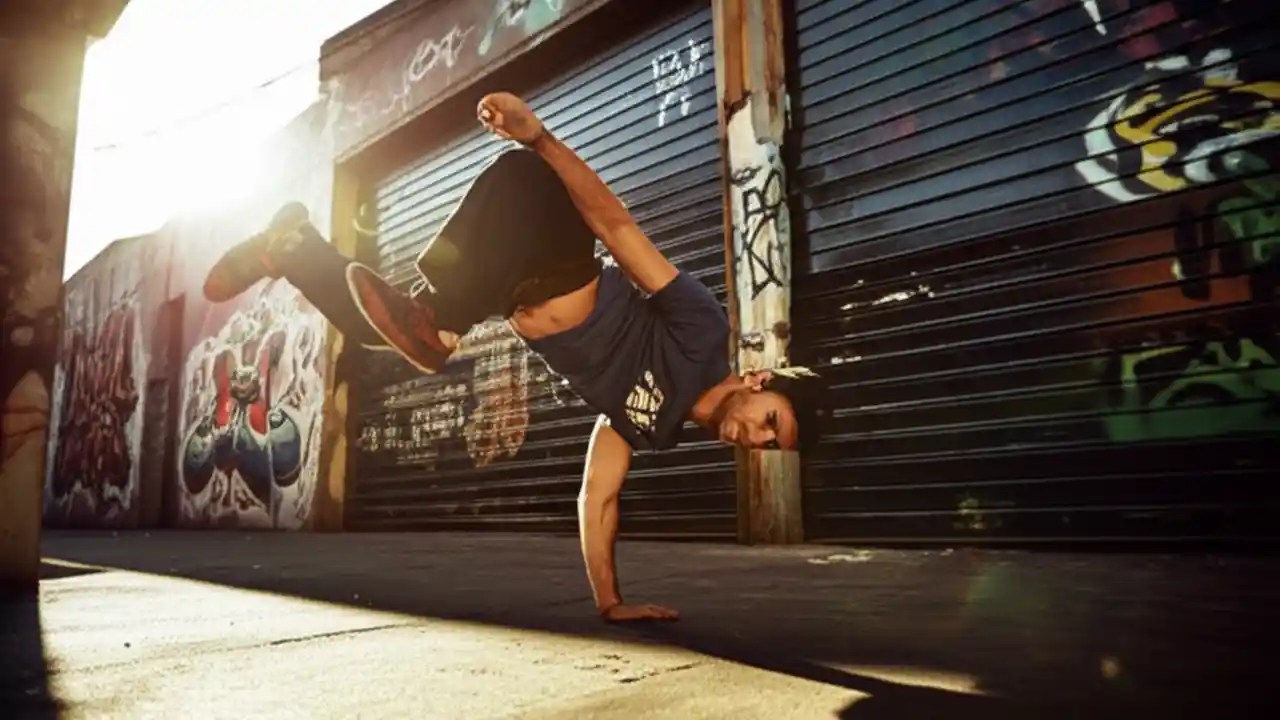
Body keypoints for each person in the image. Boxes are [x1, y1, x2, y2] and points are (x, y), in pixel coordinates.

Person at [203, 92, 829, 622]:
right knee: (525, 176)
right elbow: (617, 229)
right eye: (770, 421)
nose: (755, 440)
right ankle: (434, 324)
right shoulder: (703, 330)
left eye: (770, 447)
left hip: (504, 289)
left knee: (379, 330)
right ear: (758, 379)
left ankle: (288, 246)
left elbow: (597, 495)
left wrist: (610, 601)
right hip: (553, 249)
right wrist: (542, 139)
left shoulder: (653, 428)